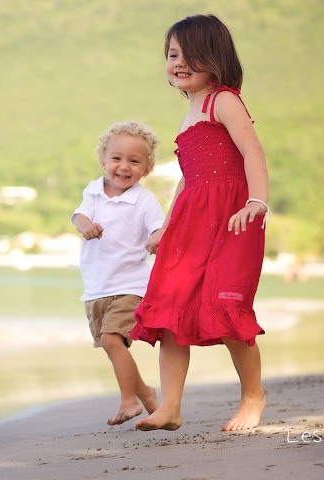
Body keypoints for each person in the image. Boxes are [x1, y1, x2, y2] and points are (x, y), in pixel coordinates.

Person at [130, 14, 270, 432]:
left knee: (227, 308)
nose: (178, 63)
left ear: (215, 57)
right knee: (170, 310)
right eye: (172, 55)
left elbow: (252, 153)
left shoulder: (222, 99)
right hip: (192, 222)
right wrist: (166, 228)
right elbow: (188, 180)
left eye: (190, 55)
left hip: (233, 219)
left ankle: (253, 395)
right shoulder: (189, 111)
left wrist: (257, 200)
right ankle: (170, 406)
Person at [72, 120, 165, 426]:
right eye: (117, 158)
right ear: (104, 161)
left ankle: (129, 401)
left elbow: (159, 228)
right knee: (111, 346)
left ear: (146, 169)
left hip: (131, 285)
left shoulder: (144, 200)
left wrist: (155, 238)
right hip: (97, 286)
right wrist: (87, 227)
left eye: (134, 161)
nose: (124, 167)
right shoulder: (93, 191)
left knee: (113, 340)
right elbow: (80, 215)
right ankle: (147, 395)